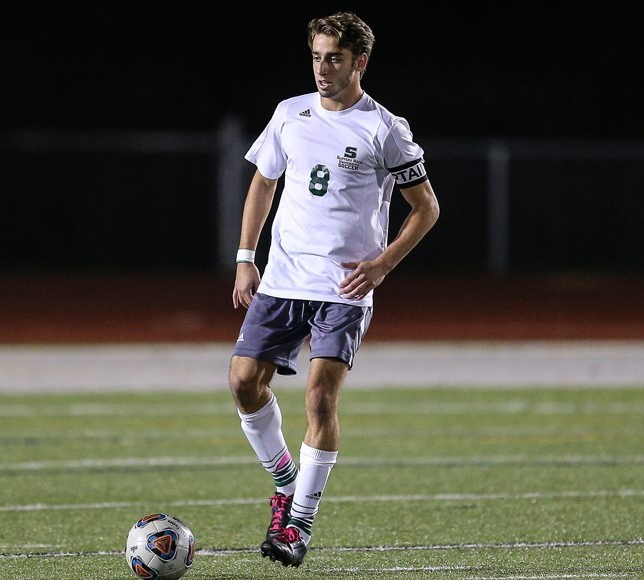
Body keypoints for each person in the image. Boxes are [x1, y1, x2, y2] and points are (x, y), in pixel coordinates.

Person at [227, 11, 439, 568]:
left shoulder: (384, 129)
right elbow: (264, 181)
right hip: (283, 277)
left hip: (344, 287)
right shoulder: (289, 113)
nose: (323, 69)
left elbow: (426, 208)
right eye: (317, 57)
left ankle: (297, 525)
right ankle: (285, 481)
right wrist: (246, 257)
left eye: (335, 58)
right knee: (243, 381)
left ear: (359, 61)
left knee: (320, 396)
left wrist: (383, 264)